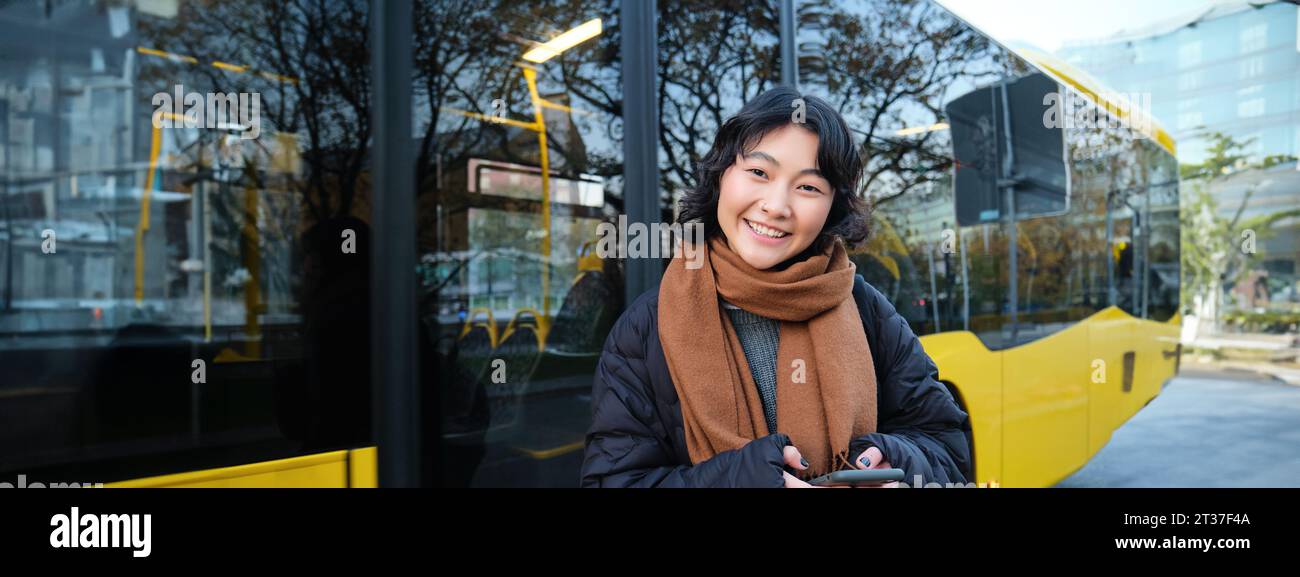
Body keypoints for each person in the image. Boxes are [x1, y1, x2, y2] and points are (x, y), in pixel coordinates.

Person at [580, 87, 971, 488]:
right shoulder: (645, 328)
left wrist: (896, 463)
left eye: (808, 187)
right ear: (721, 176)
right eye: (759, 173)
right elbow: (612, 481)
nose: (777, 205)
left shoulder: (867, 309)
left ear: (832, 206)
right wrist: (744, 479)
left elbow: (946, 447)